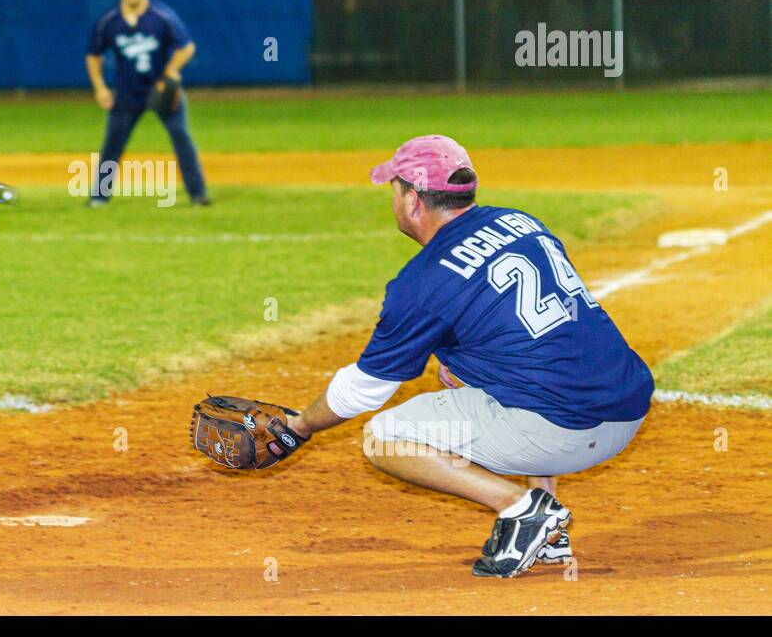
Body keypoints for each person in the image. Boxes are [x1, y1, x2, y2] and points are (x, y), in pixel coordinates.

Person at [265, 135, 653, 577]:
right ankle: (550, 533)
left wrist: (299, 427)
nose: (392, 200)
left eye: (394, 189)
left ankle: (522, 509)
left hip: (560, 432)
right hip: (626, 411)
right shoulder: (520, 222)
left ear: (413, 201)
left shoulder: (421, 283)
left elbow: (363, 391)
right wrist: (468, 362)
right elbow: (544, 331)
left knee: (382, 437)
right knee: (538, 374)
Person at [85, 0, 210, 206]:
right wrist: (100, 87)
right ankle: (99, 196)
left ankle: (198, 193)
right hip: (127, 93)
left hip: (161, 90)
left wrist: (170, 71)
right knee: (113, 143)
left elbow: (187, 47)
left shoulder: (162, 16)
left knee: (181, 137)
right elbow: (93, 55)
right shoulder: (109, 21)